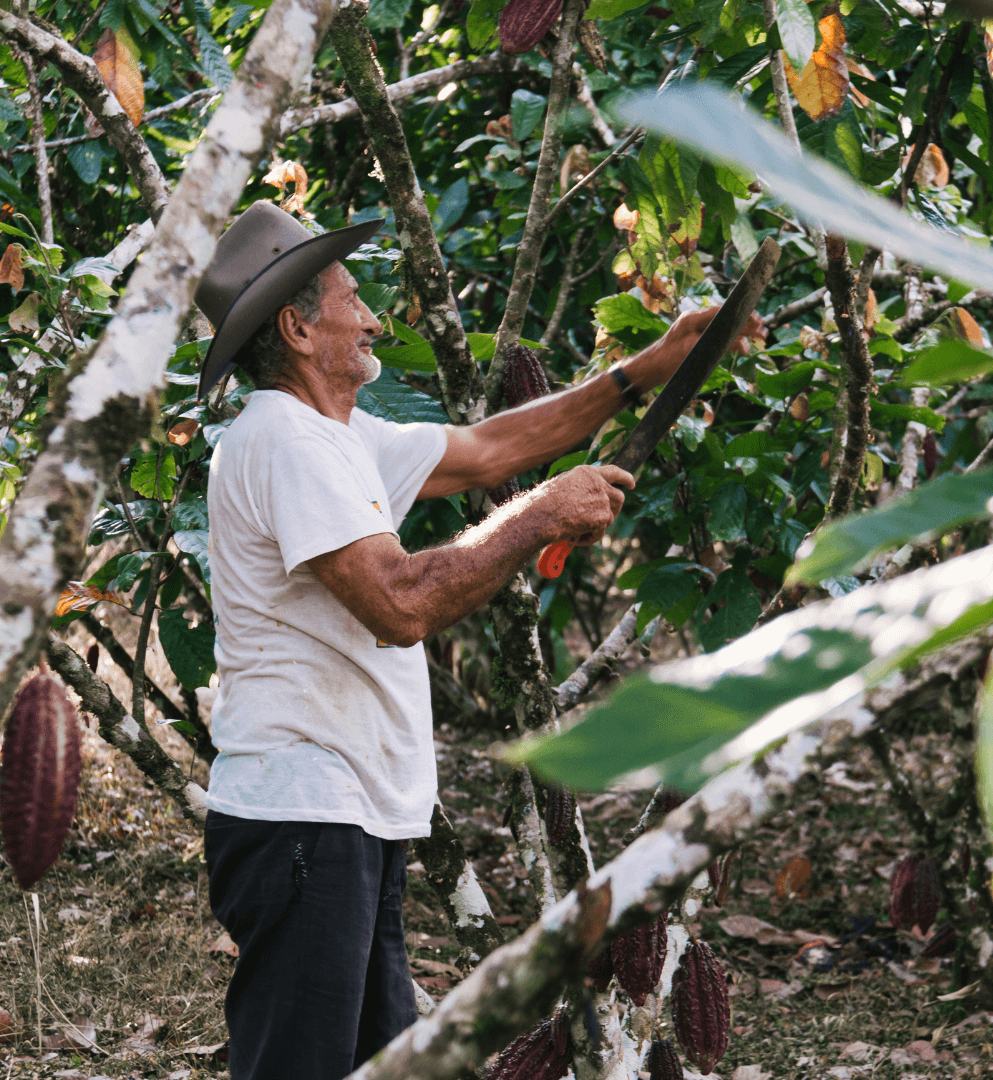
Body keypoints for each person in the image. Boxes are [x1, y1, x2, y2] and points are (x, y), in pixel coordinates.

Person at [193, 200, 715, 1080]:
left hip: (346, 814)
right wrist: (542, 514)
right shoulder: (284, 439)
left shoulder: (340, 435)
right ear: (297, 326)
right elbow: (399, 603)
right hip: (303, 816)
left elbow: (489, 448)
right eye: (353, 300)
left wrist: (647, 369)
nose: (374, 318)